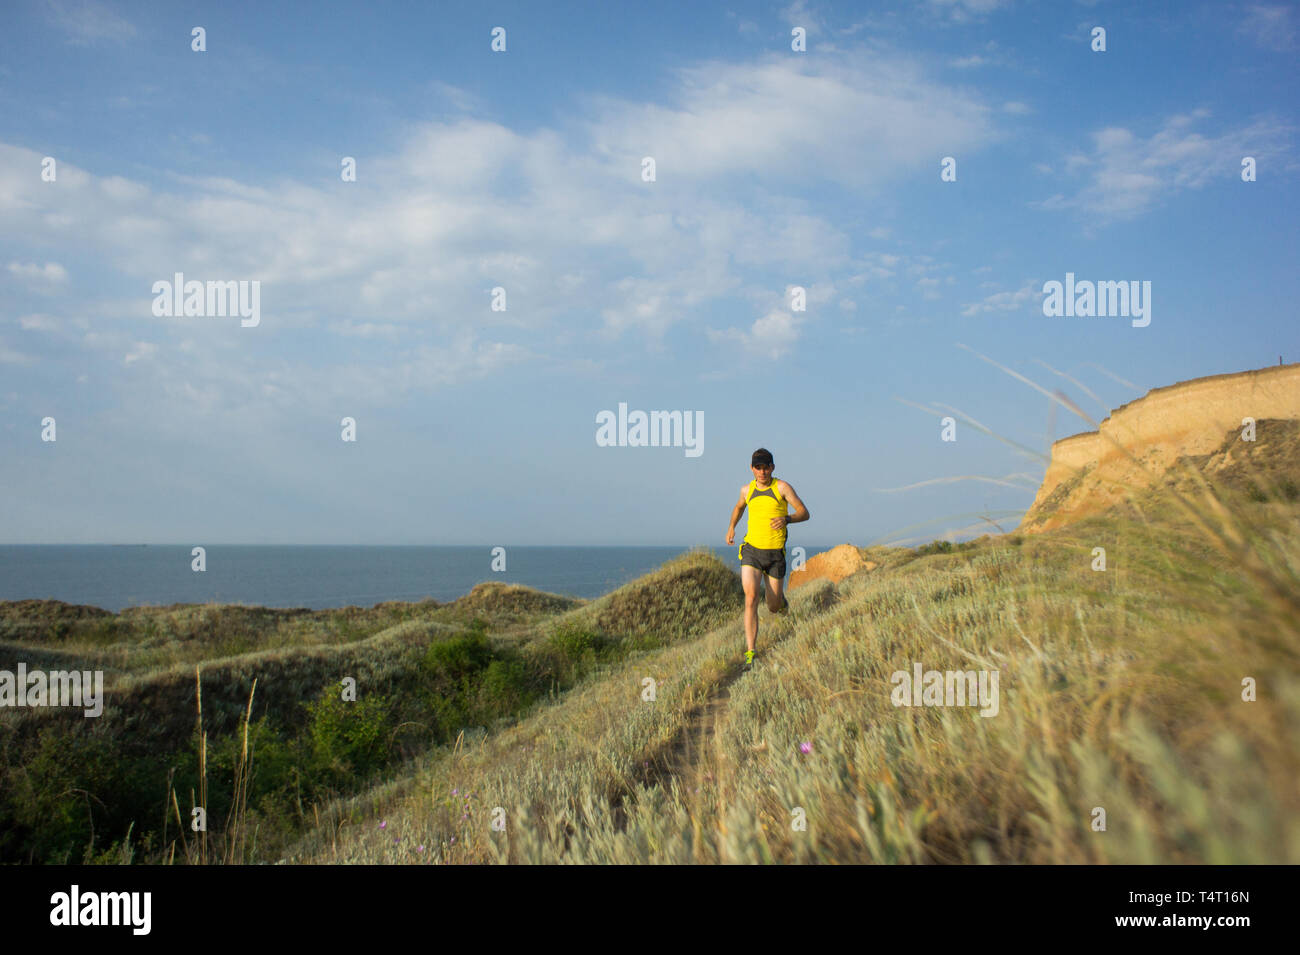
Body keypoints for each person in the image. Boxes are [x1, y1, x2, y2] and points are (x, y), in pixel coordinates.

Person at [725, 448, 809, 669]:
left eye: (766, 467)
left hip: (774, 555)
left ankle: (782, 605)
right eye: (758, 467)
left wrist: (787, 518)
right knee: (751, 597)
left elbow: (804, 512)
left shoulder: (782, 488)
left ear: (772, 467)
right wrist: (732, 527)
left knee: (773, 606)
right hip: (751, 551)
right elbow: (739, 507)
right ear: (752, 469)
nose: (762, 472)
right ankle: (751, 652)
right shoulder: (746, 490)